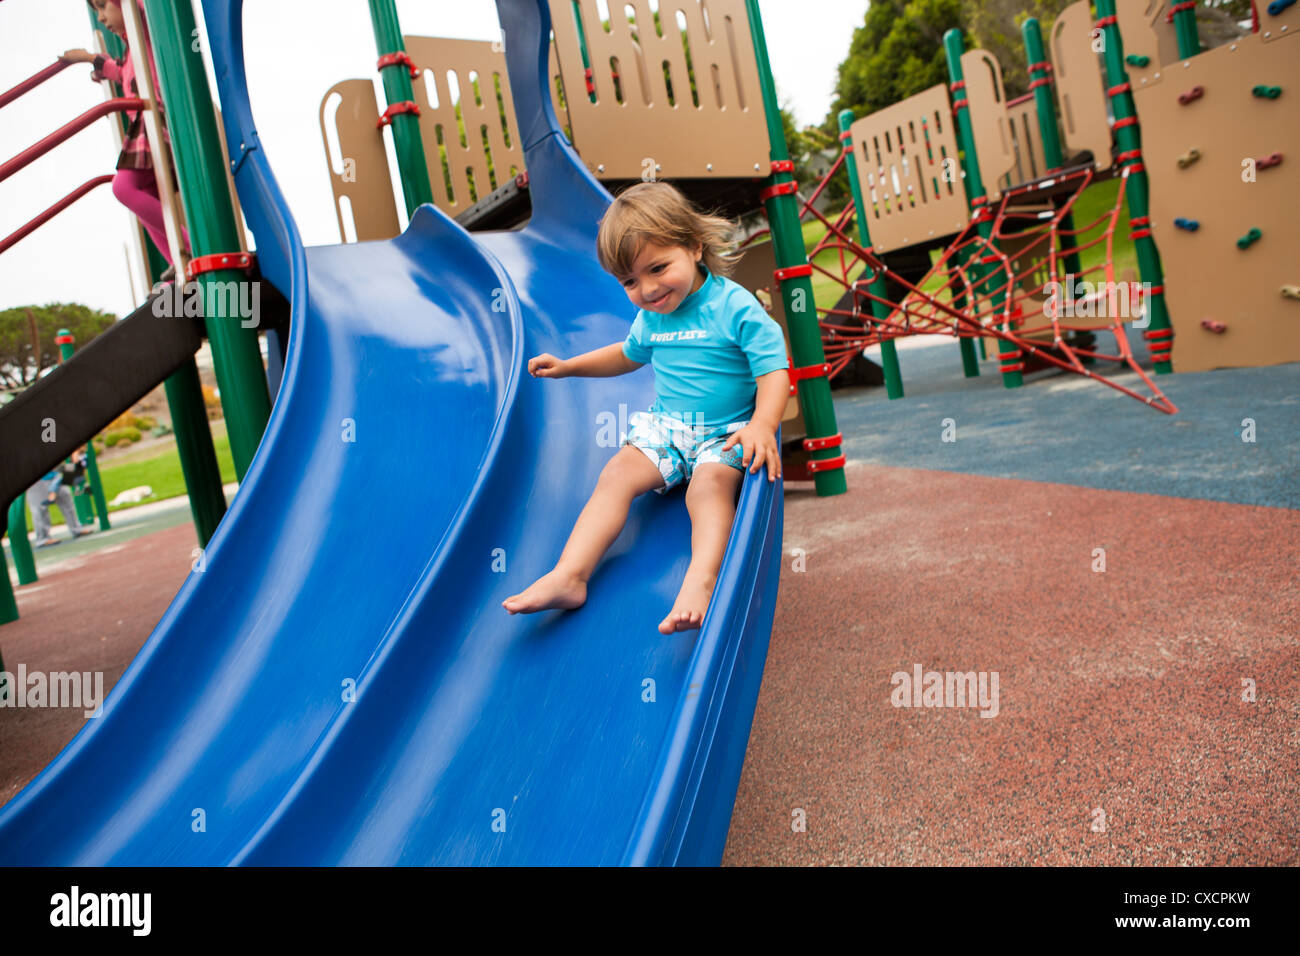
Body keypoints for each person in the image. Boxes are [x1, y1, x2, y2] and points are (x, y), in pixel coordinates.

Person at [503, 181, 790, 635]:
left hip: (727, 431)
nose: (649, 289)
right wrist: (568, 367)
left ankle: (701, 580)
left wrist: (762, 424)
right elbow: (626, 354)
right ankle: (570, 575)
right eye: (630, 282)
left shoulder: (733, 306)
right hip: (671, 427)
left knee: (708, 487)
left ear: (694, 246)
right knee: (616, 474)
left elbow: (774, 369)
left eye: (658, 268)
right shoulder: (653, 317)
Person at [60, 0, 187, 273]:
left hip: (154, 123)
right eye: (96, 11)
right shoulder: (133, 53)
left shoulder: (145, 30)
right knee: (146, 198)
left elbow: (139, 9)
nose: (102, 17)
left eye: (104, 6)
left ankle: (188, 247)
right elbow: (119, 72)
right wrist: (87, 58)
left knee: (124, 188)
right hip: (144, 127)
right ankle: (178, 261)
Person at [27, 452, 94, 547]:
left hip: (55, 473)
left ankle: (76, 529)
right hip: (35, 478)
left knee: (67, 502)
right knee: (40, 509)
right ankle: (43, 538)